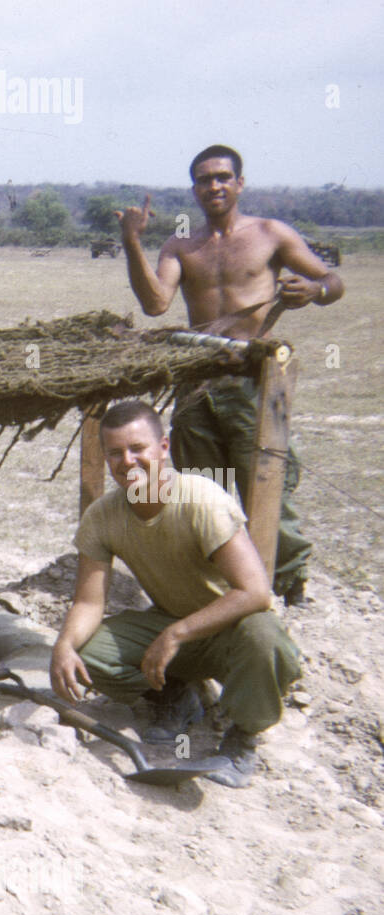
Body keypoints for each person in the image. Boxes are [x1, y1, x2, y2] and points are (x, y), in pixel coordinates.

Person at [115, 144, 345, 605]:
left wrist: (314, 289)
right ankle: (220, 586)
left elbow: (333, 282)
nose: (214, 186)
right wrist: (132, 241)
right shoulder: (181, 245)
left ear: (240, 183)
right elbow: (156, 304)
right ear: (194, 189)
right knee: (204, 489)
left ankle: (289, 586)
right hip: (196, 381)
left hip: (252, 379)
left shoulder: (270, 234)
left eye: (223, 177)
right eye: (204, 179)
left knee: (266, 484)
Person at [50, 400, 301, 788]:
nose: (127, 461)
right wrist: (64, 645)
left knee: (266, 639)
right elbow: (89, 601)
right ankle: (175, 695)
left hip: (232, 628)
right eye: (115, 453)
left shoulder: (202, 499)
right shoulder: (102, 515)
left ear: (163, 448)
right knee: (89, 655)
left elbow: (255, 593)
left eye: (138, 449)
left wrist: (176, 634)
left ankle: (243, 735)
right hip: (172, 622)